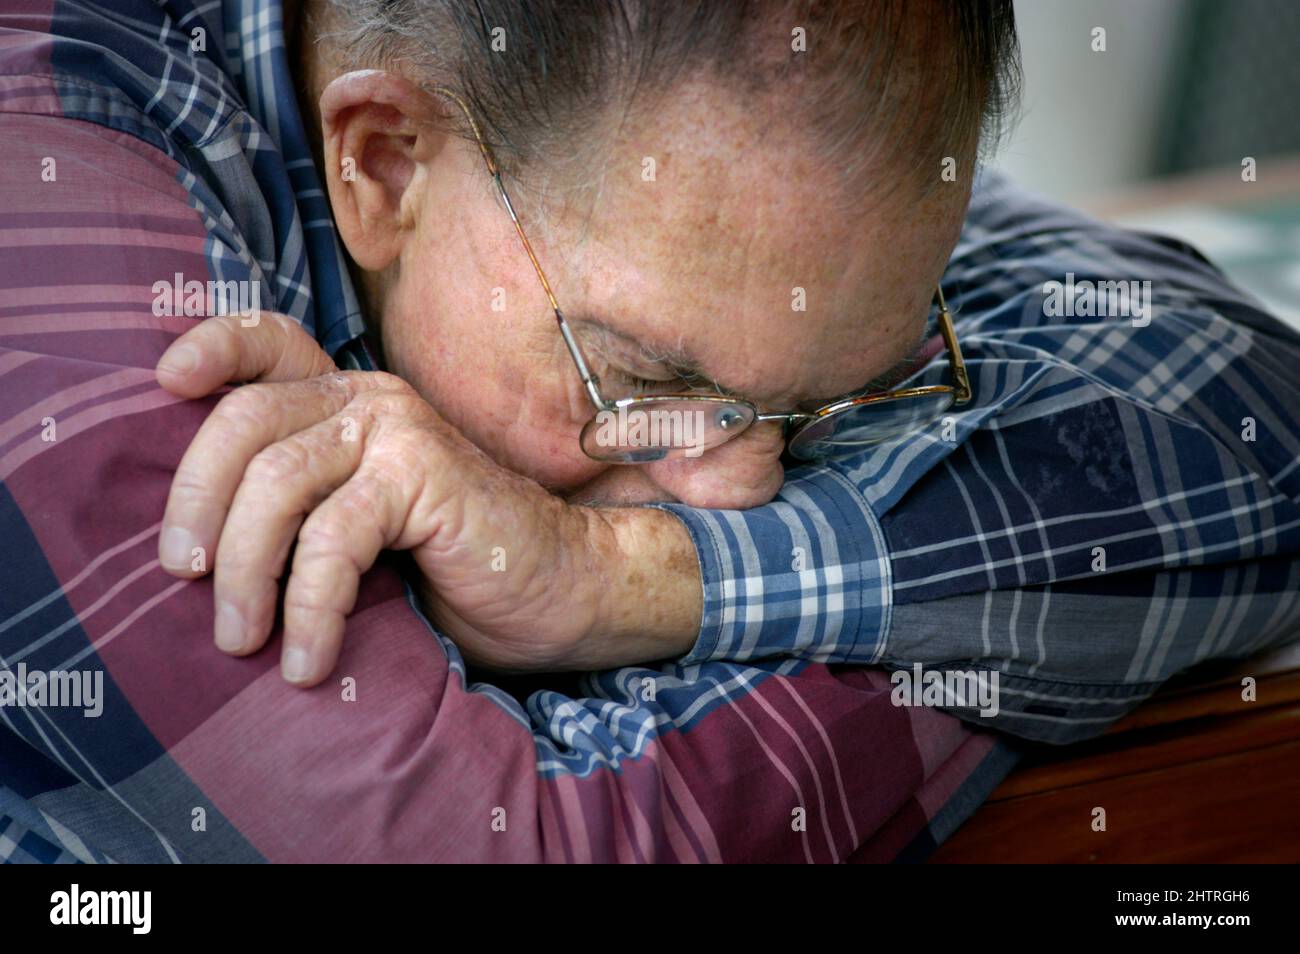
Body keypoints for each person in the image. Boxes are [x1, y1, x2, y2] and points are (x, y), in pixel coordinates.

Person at [1, 0, 1297, 863]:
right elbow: (530, 840)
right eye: (643, 379)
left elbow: (1258, 416)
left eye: (828, 402)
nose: (740, 490)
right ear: (385, 162)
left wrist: (619, 583)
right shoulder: (45, 203)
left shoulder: (720, 167)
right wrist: (1020, 637)